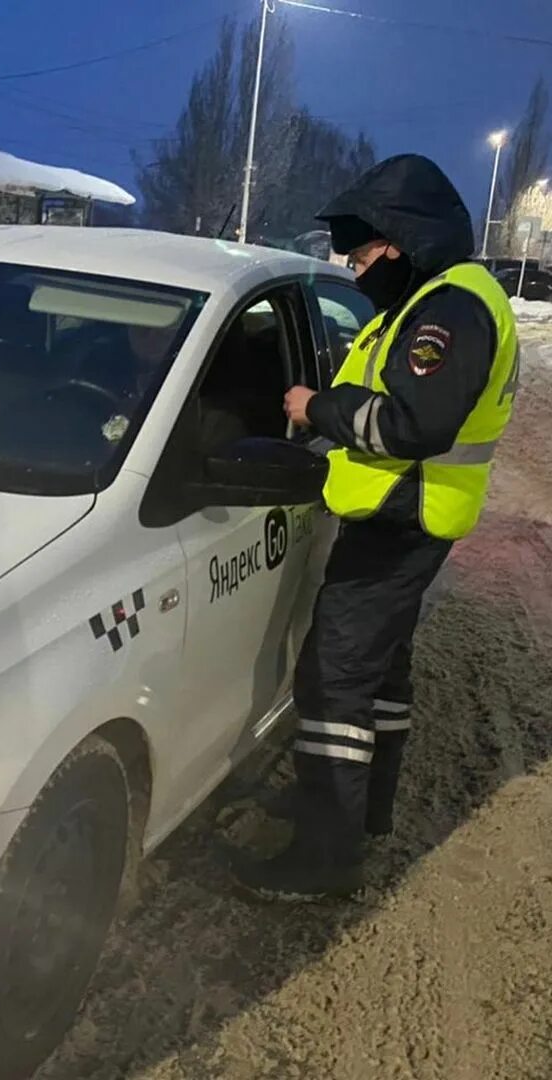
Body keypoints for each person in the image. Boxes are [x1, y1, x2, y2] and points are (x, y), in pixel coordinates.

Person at [234, 154, 521, 900]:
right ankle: (366, 812)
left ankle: (322, 860)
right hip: (402, 515)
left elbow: (412, 424)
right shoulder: (436, 296)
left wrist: (315, 408)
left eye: (362, 259)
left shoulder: (452, 308)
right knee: (381, 672)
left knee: (333, 683)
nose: (358, 273)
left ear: (399, 241)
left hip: (403, 516)